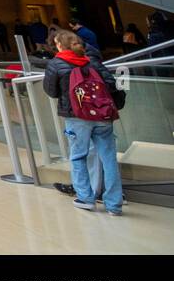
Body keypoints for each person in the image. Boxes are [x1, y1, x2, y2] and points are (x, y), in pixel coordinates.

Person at [43, 30, 124, 216]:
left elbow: (51, 91)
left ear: (60, 45)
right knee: (109, 158)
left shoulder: (56, 63)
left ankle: (86, 198)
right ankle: (114, 204)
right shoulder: (92, 60)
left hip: (76, 116)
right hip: (103, 116)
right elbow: (110, 83)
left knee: (78, 156)